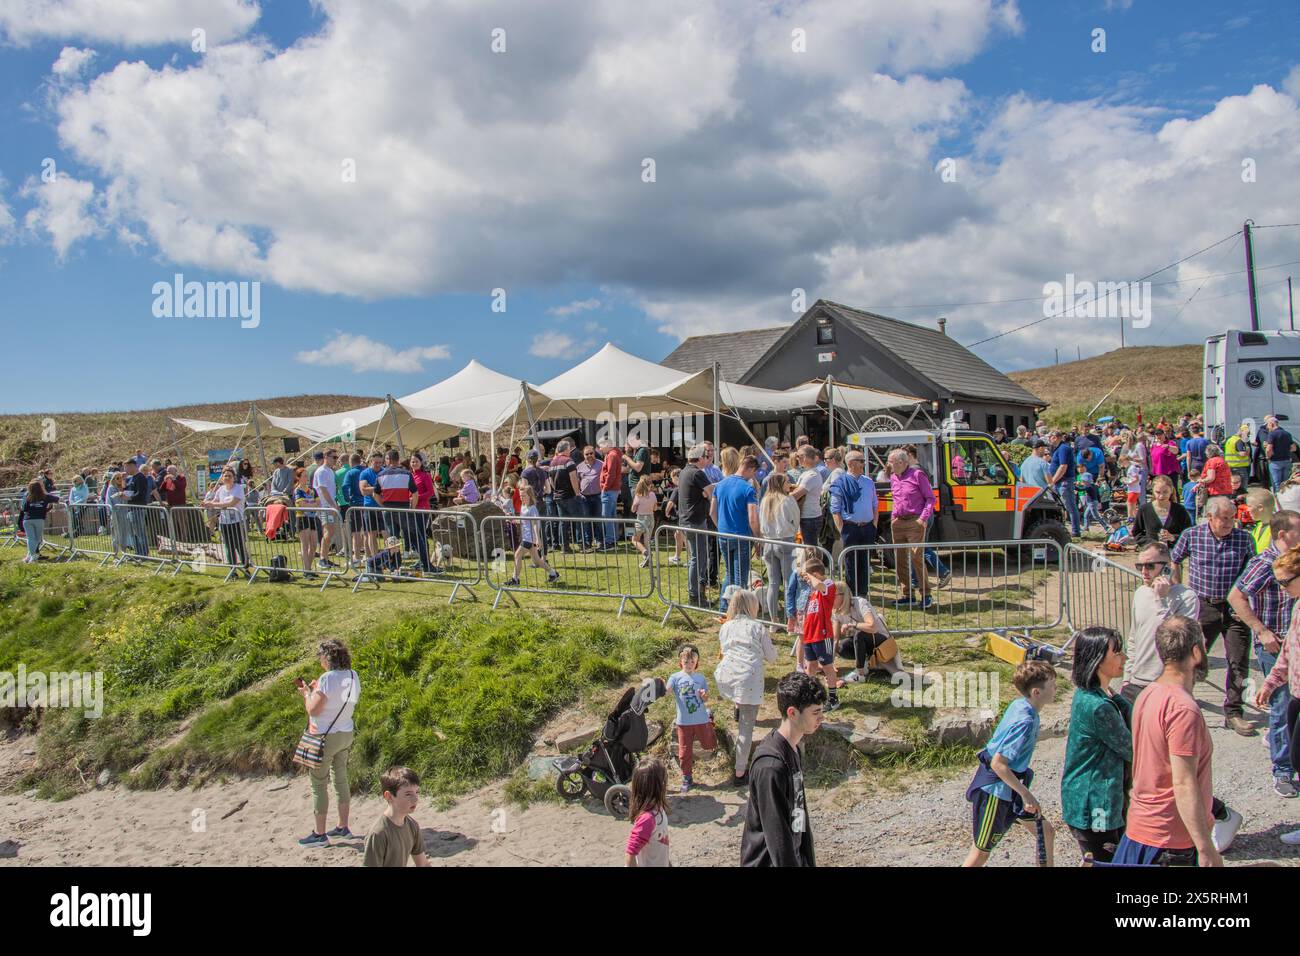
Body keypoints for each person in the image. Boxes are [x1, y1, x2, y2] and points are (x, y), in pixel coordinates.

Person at [1113, 616, 1223, 866]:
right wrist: (1206, 849)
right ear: (1196, 652)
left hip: (1141, 831)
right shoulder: (1183, 709)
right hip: (1169, 842)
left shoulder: (1147, 694)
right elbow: (1183, 783)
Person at [1170, 495, 1256, 736]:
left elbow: (1252, 572)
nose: (1229, 523)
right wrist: (1179, 591)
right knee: (1190, 657)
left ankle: (1234, 712)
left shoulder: (1244, 539)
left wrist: (1245, 602)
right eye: (1223, 518)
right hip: (1202, 606)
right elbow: (1174, 560)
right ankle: (1182, 701)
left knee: (1238, 660)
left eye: (1232, 518)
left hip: (1233, 609)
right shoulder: (1192, 535)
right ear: (1210, 517)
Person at [1229, 510, 1300, 797]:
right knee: (1281, 712)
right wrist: (1261, 631)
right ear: (1282, 534)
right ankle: (1283, 771)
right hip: (1276, 646)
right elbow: (1236, 596)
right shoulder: (1264, 563)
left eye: (1286, 584)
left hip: (1289, 648)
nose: (1283, 588)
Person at [963, 660, 1057, 867]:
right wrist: (1026, 794)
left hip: (1012, 787)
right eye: (1053, 686)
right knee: (980, 854)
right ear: (1036, 692)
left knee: (1046, 832)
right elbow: (999, 764)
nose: (1056, 689)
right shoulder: (1025, 720)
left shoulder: (1022, 704)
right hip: (995, 792)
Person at [1061, 627, 1131, 862]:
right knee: (1107, 861)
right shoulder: (1098, 707)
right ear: (1098, 659)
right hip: (1096, 808)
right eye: (1117, 652)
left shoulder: (1091, 694)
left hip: (1093, 802)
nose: (1124, 658)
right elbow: (1132, 749)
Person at [740, 671, 823, 867]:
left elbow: (799, 816)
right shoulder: (771, 766)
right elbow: (778, 837)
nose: (821, 718)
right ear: (792, 713)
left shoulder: (792, 748)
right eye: (816, 712)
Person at [1255, 546, 1300, 843]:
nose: (1281, 589)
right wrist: (1270, 682)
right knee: (1297, 761)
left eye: (1285, 582)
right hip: (1296, 696)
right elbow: (1288, 651)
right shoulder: (1298, 606)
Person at [297, 639, 360, 847]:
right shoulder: (353, 675)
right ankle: (343, 827)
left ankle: (320, 833)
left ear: (327, 657)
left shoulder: (327, 678)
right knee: (340, 778)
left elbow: (313, 709)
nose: (319, 661)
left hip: (326, 735)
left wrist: (307, 694)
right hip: (346, 731)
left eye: (320, 657)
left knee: (318, 783)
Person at [1122, 542, 1201, 704]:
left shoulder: (1187, 597)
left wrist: (1161, 601)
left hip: (1168, 684)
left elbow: (1177, 641)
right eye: (1140, 566)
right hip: (1136, 682)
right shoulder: (1140, 593)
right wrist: (1127, 677)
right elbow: (1134, 637)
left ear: (1167, 567)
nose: (1144, 572)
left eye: (1150, 566)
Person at [714, 590, 778, 786]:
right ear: (753, 606)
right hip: (749, 678)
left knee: (738, 688)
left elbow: (724, 650)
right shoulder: (758, 627)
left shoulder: (726, 627)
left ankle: (737, 706)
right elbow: (772, 657)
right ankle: (740, 771)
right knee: (746, 728)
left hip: (726, 674)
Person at [711, 453, 760, 612]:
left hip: (724, 535)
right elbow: (753, 517)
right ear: (750, 469)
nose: (753, 476)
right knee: (740, 576)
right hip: (741, 537)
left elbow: (712, 512)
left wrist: (721, 527)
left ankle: (724, 607)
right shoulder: (748, 488)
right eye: (753, 472)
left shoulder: (720, 484)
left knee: (729, 573)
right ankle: (737, 610)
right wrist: (758, 538)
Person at [831, 585, 908, 683]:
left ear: (843, 595)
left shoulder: (860, 603)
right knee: (841, 647)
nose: (828, 598)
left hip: (881, 640)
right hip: (862, 642)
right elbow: (835, 639)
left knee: (859, 635)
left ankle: (861, 672)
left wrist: (853, 624)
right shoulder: (836, 612)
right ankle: (867, 662)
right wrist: (829, 666)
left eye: (832, 595)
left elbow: (872, 627)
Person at [887, 447, 933, 609]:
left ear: (902, 462)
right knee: (899, 559)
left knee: (916, 557)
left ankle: (926, 593)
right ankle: (907, 594)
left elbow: (930, 498)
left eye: (891, 462)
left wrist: (923, 518)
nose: (889, 464)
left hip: (915, 520)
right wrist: (894, 517)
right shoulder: (893, 477)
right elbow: (896, 498)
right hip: (898, 521)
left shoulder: (917, 475)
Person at [667, 645, 716, 794]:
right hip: (683, 722)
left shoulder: (700, 678)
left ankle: (710, 718)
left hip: (701, 718)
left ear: (697, 662)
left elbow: (706, 696)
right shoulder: (675, 677)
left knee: (708, 744)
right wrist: (660, 686)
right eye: (686, 661)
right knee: (684, 752)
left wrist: (703, 695)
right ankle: (687, 777)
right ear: (680, 661)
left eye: (692, 662)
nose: (689, 664)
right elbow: (667, 691)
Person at [830, 450, 878, 598]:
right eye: (861, 461)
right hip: (850, 527)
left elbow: (875, 505)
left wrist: (874, 524)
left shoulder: (868, 482)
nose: (864, 464)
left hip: (868, 527)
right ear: (851, 463)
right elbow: (835, 510)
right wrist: (842, 529)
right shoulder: (840, 483)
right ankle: (851, 594)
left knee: (865, 561)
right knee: (851, 563)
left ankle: (863, 593)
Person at [362, 766, 431, 867]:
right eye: (408, 794)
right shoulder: (378, 833)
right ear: (389, 796)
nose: (415, 799)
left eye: (417, 792)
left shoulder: (412, 826)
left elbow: (423, 864)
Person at [798, 560, 841, 712]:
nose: (806, 580)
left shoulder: (828, 584)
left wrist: (810, 575)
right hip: (810, 635)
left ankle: (834, 698)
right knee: (810, 666)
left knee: (827, 666)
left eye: (808, 577)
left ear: (815, 574)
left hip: (822, 635)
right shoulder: (813, 592)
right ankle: (811, 695)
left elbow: (820, 585)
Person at [759, 473, 800, 623]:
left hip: (769, 542)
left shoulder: (765, 500)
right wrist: (792, 530)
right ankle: (790, 618)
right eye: (787, 482)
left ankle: (773, 620)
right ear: (780, 484)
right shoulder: (787, 500)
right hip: (785, 541)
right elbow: (795, 519)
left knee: (773, 583)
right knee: (789, 581)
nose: (789, 484)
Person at [677, 444, 713, 607]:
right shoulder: (697, 473)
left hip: (686, 520)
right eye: (706, 457)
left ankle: (697, 592)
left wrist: (705, 493)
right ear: (700, 458)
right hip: (695, 521)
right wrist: (706, 493)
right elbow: (711, 493)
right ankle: (694, 595)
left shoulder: (685, 471)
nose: (708, 460)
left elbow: (707, 492)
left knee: (696, 558)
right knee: (697, 559)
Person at [504, 483, 560, 587]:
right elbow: (523, 521)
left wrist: (538, 539)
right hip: (527, 537)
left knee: (517, 555)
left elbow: (535, 524)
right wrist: (512, 519)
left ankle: (515, 579)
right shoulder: (523, 506)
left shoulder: (532, 508)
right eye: (520, 496)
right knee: (537, 560)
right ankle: (553, 574)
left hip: (530, 538)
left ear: (530, 495)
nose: (522, 498)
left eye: (524, 496)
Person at [624, 759, 670, 866]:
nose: (666, 784)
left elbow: (661, 844)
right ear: (657, 786)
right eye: (664, 780)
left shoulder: (659, 810)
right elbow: (630, 853)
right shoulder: (647, 819)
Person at [204, 466, 248, 572]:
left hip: (237, 521)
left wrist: (213, 504)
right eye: (225, 476)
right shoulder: (220, 489)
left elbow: (231, 503)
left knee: (239, 545)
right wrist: (207, 504)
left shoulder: (238, 488)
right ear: (222, 478)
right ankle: (233, 570)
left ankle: (246, 567)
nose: (227, 477)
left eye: (229, 476)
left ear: (234, 477)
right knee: (228, 546)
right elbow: (215, 502)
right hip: (224, 522)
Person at [1131, 475, 1192, 550]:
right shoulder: (1144, 509)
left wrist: (1173, 538)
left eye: (1165, 492)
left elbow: (1188, 533)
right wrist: (1153, 543)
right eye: (1158, 492)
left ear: (1171, 490)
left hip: (1175, 554)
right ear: (1152, 491)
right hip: (1151, 553)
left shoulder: (1180, 510)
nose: (1161, 496)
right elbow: (1137, 533)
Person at [1047, 430, 1081, 537]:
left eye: (1050, 436)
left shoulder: (1064, 448)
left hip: (1064, 481)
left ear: (1056, 437)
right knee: (1063, 506)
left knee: (1070, 505)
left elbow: (1063, 466)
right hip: (1059, 482)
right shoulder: (1056, 449)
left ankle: (1076, 531)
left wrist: (1052, 481)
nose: (1049, 439)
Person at [789, 445, 824, 547]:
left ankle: (814, 563)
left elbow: (795, 495)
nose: (797, 459)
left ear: (804, 457)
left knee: (810, 549)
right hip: (807, 516)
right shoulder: (807, 473)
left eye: (798, 456)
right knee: (808, 548)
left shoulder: (811, 475)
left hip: (810, 518)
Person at [312, 449, 340, 570]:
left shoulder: (330, 471)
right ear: (326, 457)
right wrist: (332, 505)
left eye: (336, 457)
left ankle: (325, 557)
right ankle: (322, 558)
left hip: (330, 506)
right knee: (328, 532)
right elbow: (323, 490)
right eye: (333, 457)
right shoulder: (321, 471)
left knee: (331, 532)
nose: (335, 460)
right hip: (325, 506)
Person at [596, 438, 623, 551]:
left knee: (606, 517)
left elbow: (611, 474)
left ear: (607, 445)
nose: (600, 449)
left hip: (609, 490)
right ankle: (612, 540)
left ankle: (609, 542)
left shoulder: (611, 455)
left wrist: (605, 487)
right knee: (611, 516)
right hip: (613, 490)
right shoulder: (615, 454)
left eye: (601, 446)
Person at [575, 445, 603, 550]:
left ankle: (600, 541)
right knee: (586, 521)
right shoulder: (579, 467)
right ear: (583, 455)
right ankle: (587, 542)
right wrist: (578, 493)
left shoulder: (601, 464)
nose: (589, 455)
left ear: (594, 453)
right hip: (584, 498)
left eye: (591, 453)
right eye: (587, 454)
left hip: (598, 496)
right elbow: (577, 481)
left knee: (598, 520)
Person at [20, 479, 53, 562]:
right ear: (40, 487)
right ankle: (33, 556)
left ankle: (30, 556)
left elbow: (24, 508)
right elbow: (57, 498)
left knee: (30, 539)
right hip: (39, 519)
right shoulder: (44, 495)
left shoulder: (27, 495)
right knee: (37, 539)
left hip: (27, 520)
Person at [630, 475, 657, 568]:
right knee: (647, 541)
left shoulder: (638, 495)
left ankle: (645, 553)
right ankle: (648, 560)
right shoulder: (653, 494)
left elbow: (633, 509)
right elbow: (655, 508)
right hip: (651, 518)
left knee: (634, 540)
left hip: (641, 519)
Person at [1263, 416, 1295, 491]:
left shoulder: (1272, 434)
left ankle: (1278, 501)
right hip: (1287, 461)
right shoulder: (1287, 433)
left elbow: (1269, 449)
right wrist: (1285, 450)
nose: (1267, 427)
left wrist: (1268, 457)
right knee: (1285, 483)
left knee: (1277, 484)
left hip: (1275, 462)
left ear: (1272, 424)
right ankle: (1285, 499)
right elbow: (1294, 448)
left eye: (1268, 425)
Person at [1223, 422, 1253, 489]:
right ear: (1243, 432)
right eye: (1247, 434)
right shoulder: (1239, 441)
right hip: (1240, 467)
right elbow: (1242, 454)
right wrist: (1248, 449)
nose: (1247, 436)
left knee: (1233, 486)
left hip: (1230, 466)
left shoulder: (1230, 439)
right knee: (1242, 487)